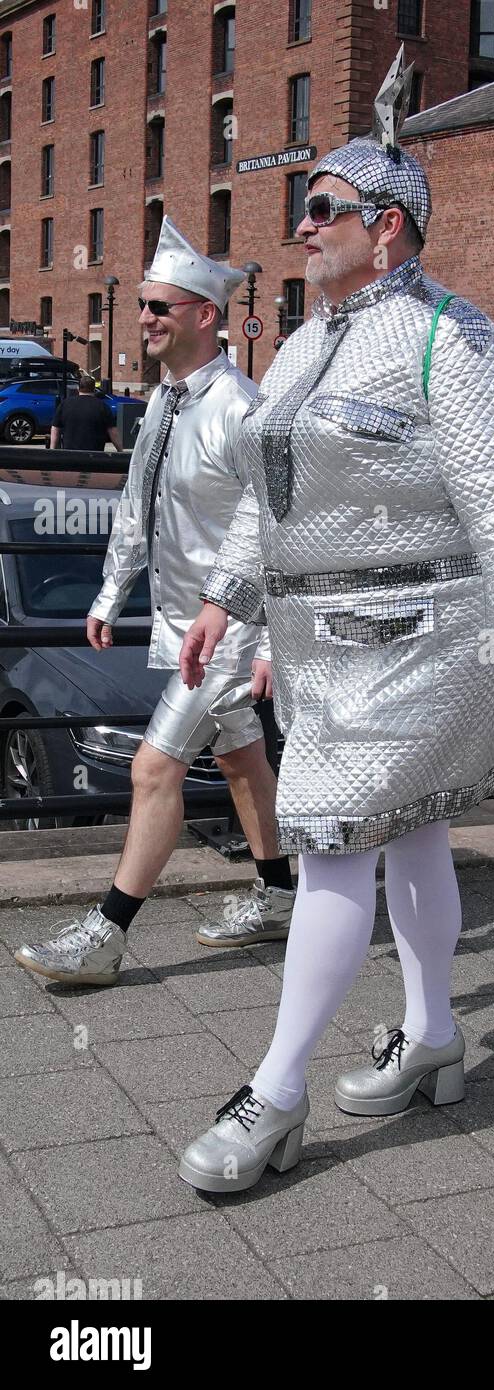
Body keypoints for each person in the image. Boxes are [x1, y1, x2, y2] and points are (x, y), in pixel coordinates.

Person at [173, 49, 494, 1194]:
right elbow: (274, 501)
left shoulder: (450, 342)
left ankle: (277, 1092)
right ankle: (435, 1034)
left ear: (390, 228)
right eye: (305, 208)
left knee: (329, 845)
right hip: (322, 651)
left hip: (421, 639)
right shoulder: (307, 342)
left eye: (325, 209)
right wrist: (229, 603)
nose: (302, 226)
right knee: (409, 832)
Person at [15, 219, 292, 988]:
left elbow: (276, 526)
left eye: (160, 307)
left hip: (232, 624)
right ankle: (279, 896)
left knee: (151, 767)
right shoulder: (163, 403)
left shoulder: (242, 409)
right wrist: (111, 592)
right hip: (181, 620)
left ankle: (108, 932)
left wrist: (267, 640)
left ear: (207, 316)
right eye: (141, 306)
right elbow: (137, 505)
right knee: (240, 760)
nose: (144, 320)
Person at [50, 372, 121, 452]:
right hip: (94, 455)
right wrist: (120, 451)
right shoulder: (102, 406)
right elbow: (113, 432)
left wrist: (52, 450)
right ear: (94, 389)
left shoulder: (65, 404)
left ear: (78, 388)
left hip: (69, 455)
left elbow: (55, 429)